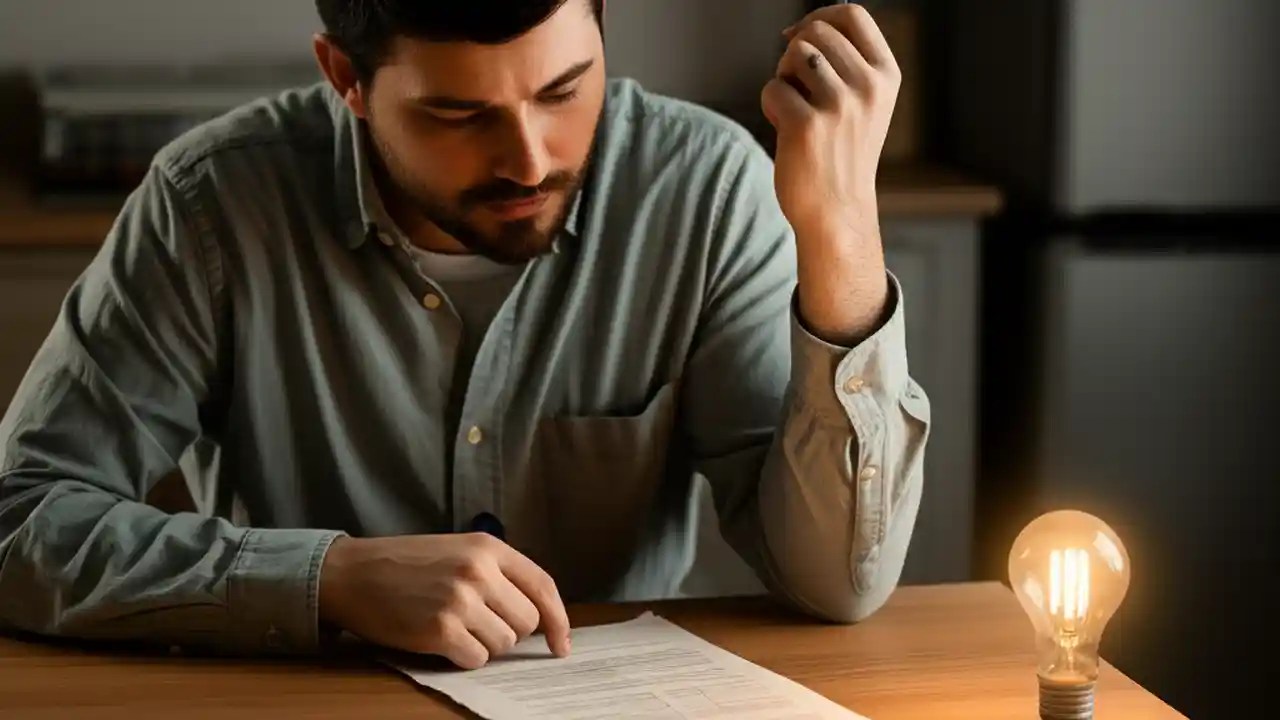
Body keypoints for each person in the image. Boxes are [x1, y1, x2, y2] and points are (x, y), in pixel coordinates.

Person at [0, 0, 930, 670]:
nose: (529, 156)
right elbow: (20, 520)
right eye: (459, 114)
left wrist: (841, 227)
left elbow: (837, 583)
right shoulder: (210, 206)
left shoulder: (707, 193)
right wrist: (331, 582)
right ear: (346, 80)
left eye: (565, 90)